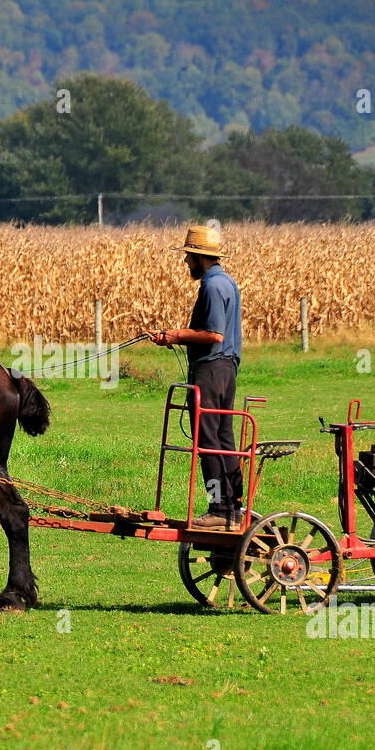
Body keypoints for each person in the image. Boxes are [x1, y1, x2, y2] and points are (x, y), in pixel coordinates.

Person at [148, 225, 243, 529]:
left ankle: (218, 508)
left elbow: (213, 334)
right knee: (224, 439)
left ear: (199, 257)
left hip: (211, 370)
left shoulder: (212, 286)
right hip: (227, 369)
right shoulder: (227, 282)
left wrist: (174, 335)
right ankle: (233, 505)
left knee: (207, 441)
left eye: (189, 256)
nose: (186, 262)